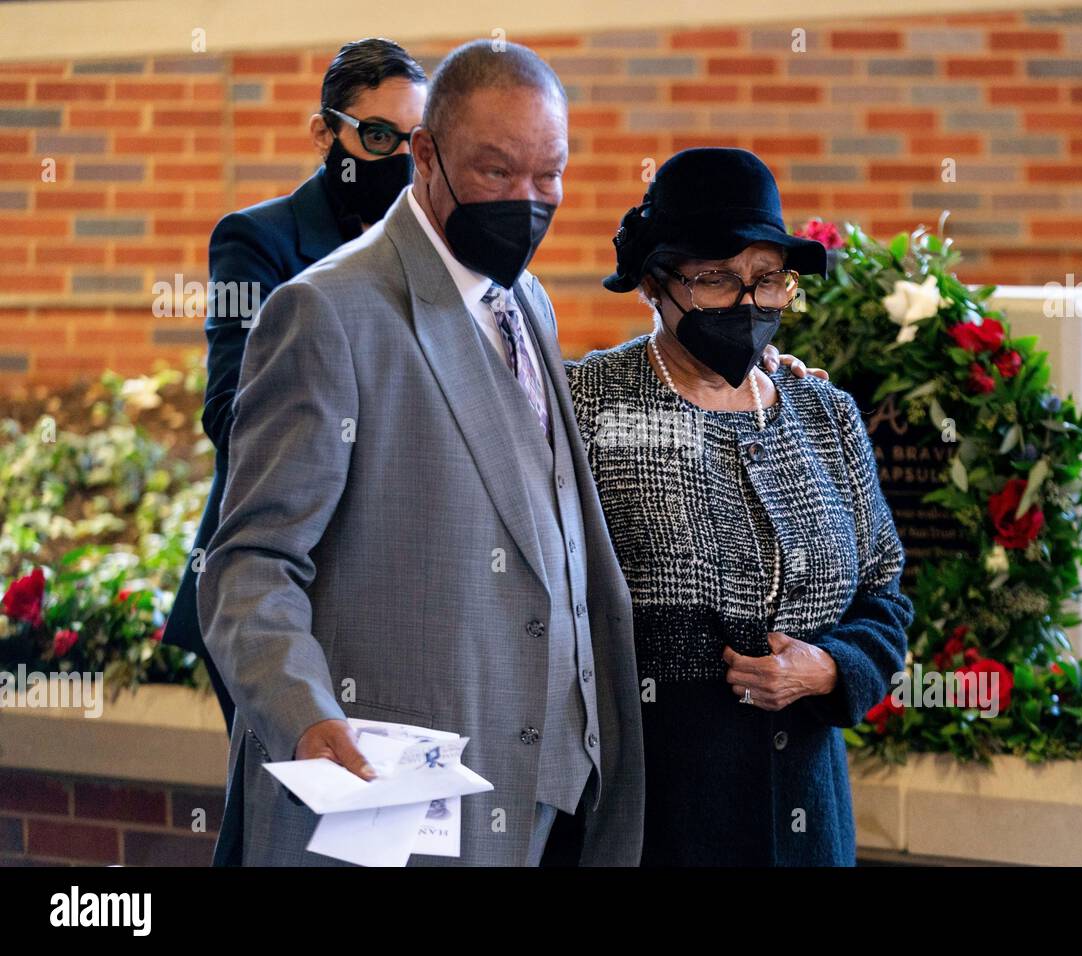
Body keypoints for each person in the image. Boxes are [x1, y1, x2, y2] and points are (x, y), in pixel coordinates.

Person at [197, 39, 649, 867]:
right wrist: (303, 713)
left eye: (548, 174)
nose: (528, 199)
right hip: (402, 813)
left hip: (551, 796)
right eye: (496, 172)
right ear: (427, 157)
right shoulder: (326, 312)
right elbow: (250, 563)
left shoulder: (529, 299)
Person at [566, 147, 914, 866]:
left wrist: (829, 666)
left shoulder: (824, 414)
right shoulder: (590, 404)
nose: (747, 304)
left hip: (806, 820)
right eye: (715, 280)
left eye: (766, 281)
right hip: (654, 818)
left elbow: (885, 595)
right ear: (654, 282)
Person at [162, 38, 427, 739]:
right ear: (324, 132)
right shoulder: (259, 239)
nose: (397, 159)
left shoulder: (430, 255)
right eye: (376, 136)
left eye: (414, 141)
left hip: (382, 589)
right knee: (288, 821)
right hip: (277, 586)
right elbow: (228, 413)